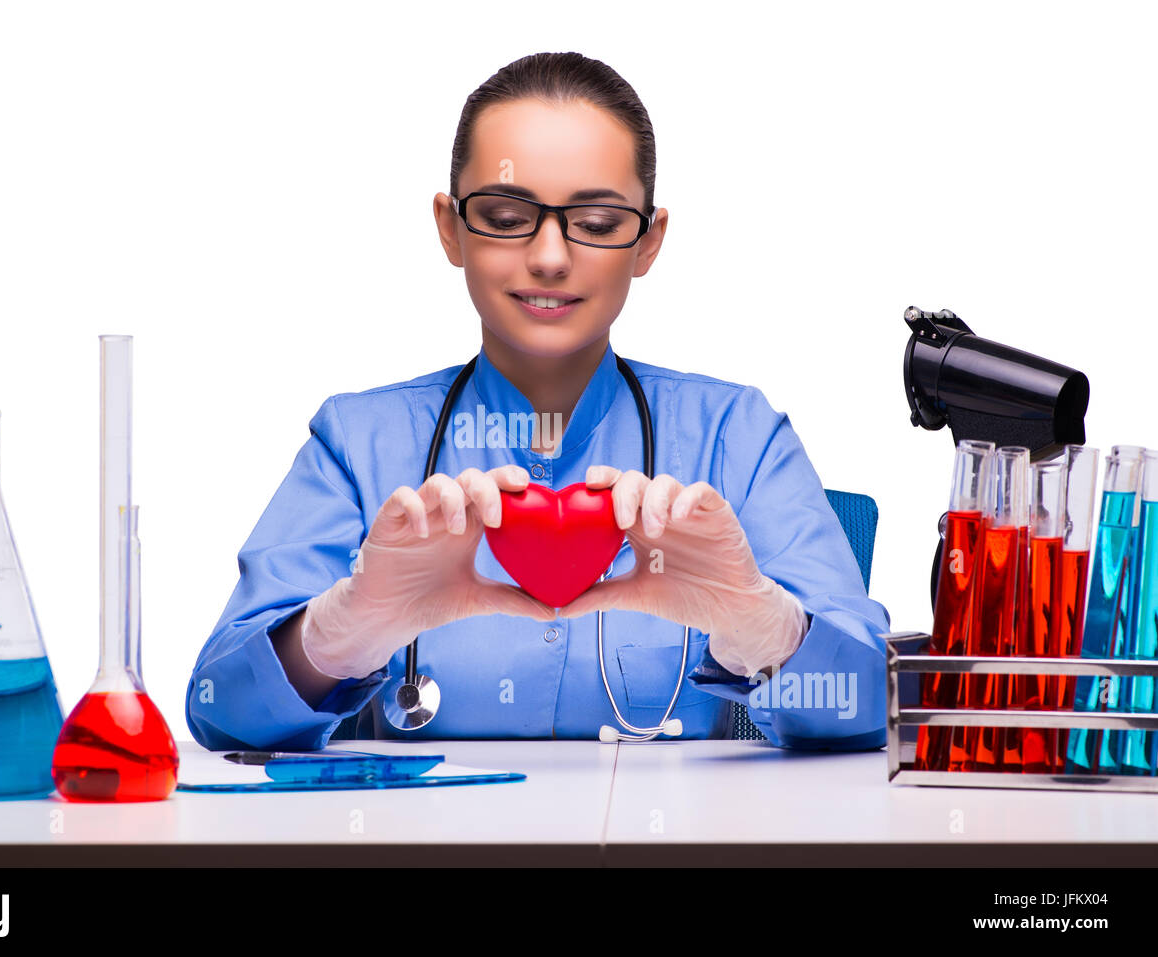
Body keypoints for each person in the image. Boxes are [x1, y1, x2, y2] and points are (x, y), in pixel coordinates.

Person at [185, 51, 891, 752]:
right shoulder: (357, 443)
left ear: (648, 242)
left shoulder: (738, 436)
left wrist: (761, 626)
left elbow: (871, 708)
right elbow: (219, 708)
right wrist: (341, 632)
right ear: (450, 227)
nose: (550, 256)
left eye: (598, 222)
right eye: (504, 213)